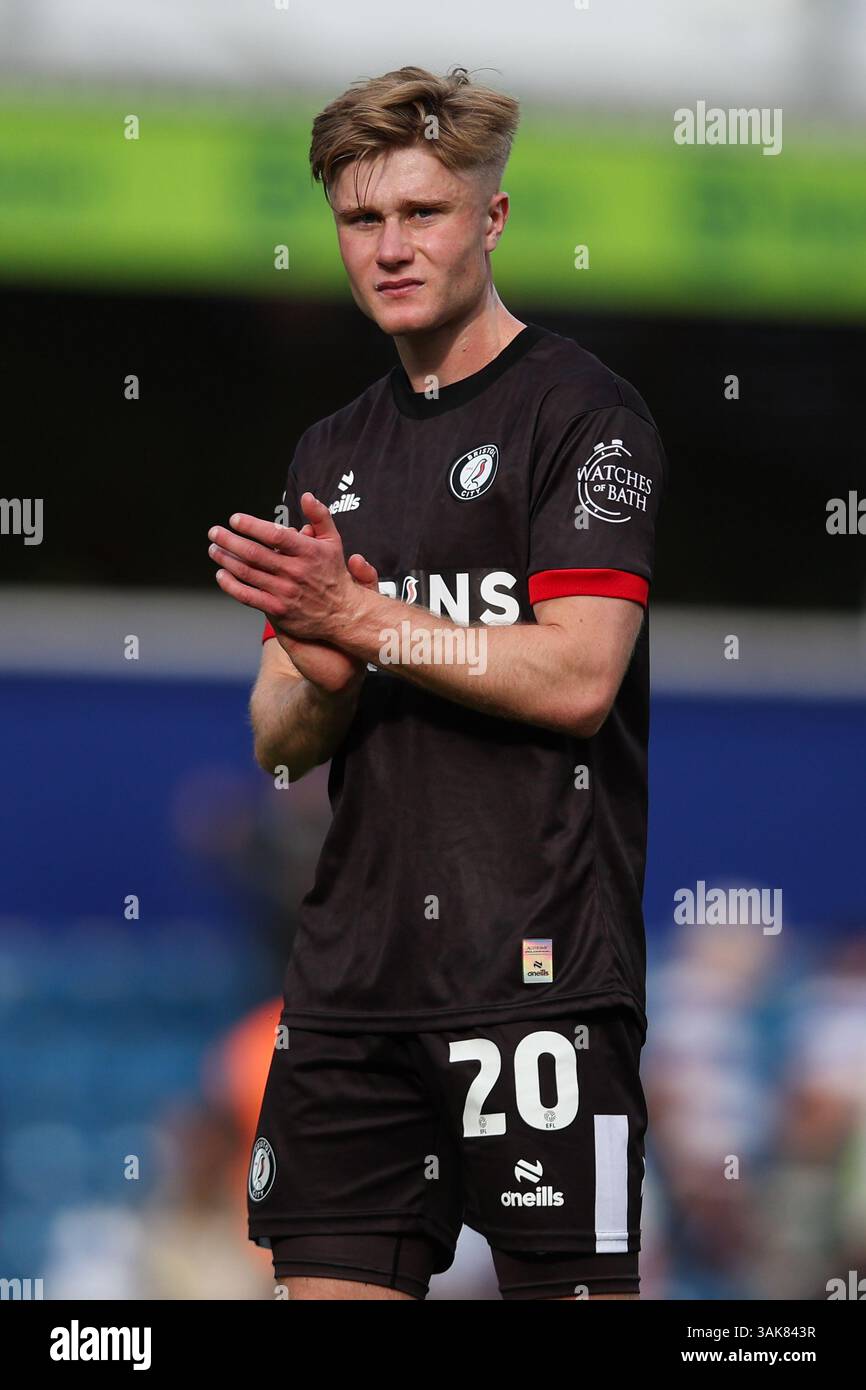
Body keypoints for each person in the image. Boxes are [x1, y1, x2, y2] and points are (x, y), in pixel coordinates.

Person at [207, 64, 668, 1301]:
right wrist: (323, 667)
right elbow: (278, 740)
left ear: (492, 219)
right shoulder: (328, 449)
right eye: (363, 220)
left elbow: (577, 677)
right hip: (350, 991)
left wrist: (361, 615)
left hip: (537, 982)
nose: (390, 248)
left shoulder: (584, 417)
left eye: (423, 213)